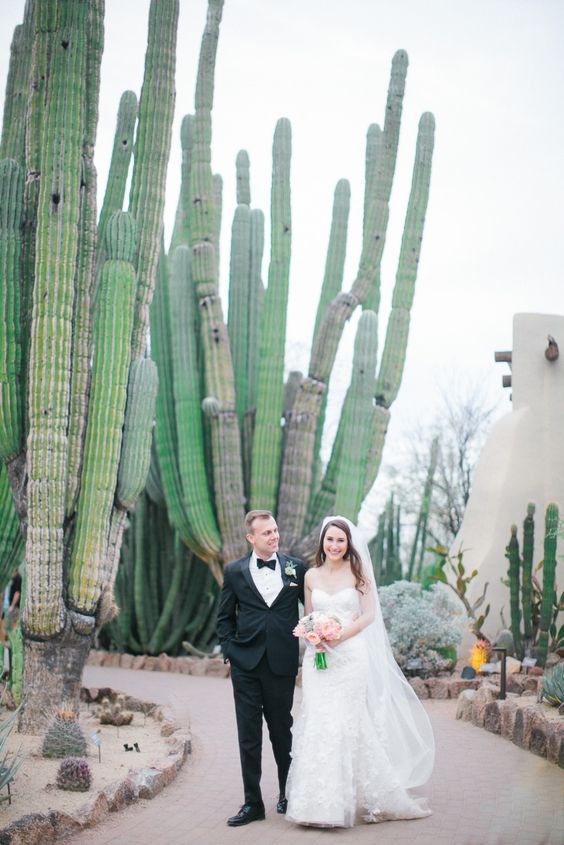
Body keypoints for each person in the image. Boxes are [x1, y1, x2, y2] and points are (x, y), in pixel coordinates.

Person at [286, 516, 435, 828]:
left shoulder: (359, 574)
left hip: (351, 657)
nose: (335, 545)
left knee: (347, 724)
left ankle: (366, 799)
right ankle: (315, 805)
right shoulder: (310, 575)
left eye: (341, 540)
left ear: (349, 544)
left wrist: (338, 636)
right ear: (322, 543)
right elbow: (310, 616)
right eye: (330, 540)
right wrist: (315, 637)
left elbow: (368, 615)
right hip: (319, 660)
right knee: (319, 721)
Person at [217, 510, 306, 827]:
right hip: (246, 665)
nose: (274, 536)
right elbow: (224, 617)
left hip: (281, 664)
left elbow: (310, 608)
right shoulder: (235, 571)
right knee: (249, 736)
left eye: (275, 530)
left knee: (283, 733)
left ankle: (287, 793)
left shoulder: (296, 568)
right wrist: (230, 650)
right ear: (251, 537)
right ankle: (252, 803)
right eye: (266, 532)